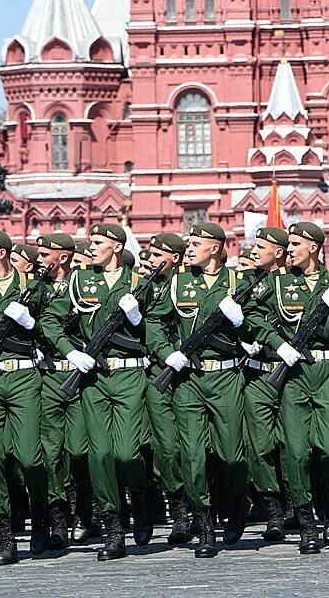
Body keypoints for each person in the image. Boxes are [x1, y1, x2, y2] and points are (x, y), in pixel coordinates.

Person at [41, 224, 158, 561]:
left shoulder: (138, 282)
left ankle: (139, 493)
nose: (91, 248)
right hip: (93, 377)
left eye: (98, 243)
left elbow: (159, 328)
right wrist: (70, 351)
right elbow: (50, 319)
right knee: (100, 455)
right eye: (91, 243)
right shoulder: (79, 280)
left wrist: (137, 318)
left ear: (117, 246)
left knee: (126, 453)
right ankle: (113, 527)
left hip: (130, 377)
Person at [145, 223, 255, 558]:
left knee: (232, 453)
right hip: (188, 381)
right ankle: (205, 526)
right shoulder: (179, 282)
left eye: (197, 243)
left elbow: (255, 330)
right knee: (191, 456)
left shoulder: (238, 283)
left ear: (217, 248)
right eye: (189, 243)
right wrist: (168, 353)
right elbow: (154, 323)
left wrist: (241, 324)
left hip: (225, 378)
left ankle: (238, 503)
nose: (189, 249)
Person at [249, 222, 329, 554]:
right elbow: (253, 315)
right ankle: (307, 523)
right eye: (288, 243)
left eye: (295, 244)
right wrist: (278, 343)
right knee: (295, 452)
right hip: (294, 372)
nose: (289, 249)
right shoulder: (277, 283)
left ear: (315, 247)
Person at [0, 230, 50, 565]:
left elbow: (53, 331)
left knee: (28, 458)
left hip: (24, 377)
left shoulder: (31, 287)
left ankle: (41, 511)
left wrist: (30, 323)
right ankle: (5, 535)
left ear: (1, 253)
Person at [35, 233, 89, 551]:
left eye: (45, 254)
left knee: (81, 452)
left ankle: (85, 512)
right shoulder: (34, 289)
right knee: (51, 454)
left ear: (64, 257)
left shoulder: (83, 286)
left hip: (81, 378)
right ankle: (59, 520)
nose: (39, 259)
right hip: (49, 376)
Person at [241, 227, 291, 543]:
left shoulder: (295, 282)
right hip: (258, 374)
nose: (255, 250)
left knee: (291, 446)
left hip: (291, 373)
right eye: (254, 245)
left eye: (262, 246)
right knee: (259, 446)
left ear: (280, 252)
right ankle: (273, 512)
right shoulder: (245, 285)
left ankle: (298, 507)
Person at [141, 234, 191, 546]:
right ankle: (180, 510)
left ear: (174, 257)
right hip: (156, 371)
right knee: (165, 447)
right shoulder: (143, 286)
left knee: (196, 447)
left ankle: (206, 505)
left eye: (160, 253)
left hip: (190, 372)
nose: (153, 257)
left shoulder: (188, 283)